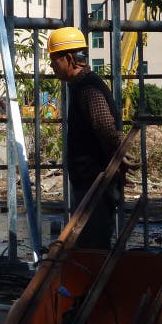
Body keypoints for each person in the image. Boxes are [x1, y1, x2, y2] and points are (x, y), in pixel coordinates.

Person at [47, 26, 137, 250]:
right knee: (89, 241)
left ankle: (97, 284)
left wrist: (118, 157)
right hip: (94, 180)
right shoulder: (83, 85)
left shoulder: (87, 88)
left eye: (53, 59)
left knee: (92, 245)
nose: (51, 65)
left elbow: (104, 125)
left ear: (69, 59)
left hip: (95, 182)